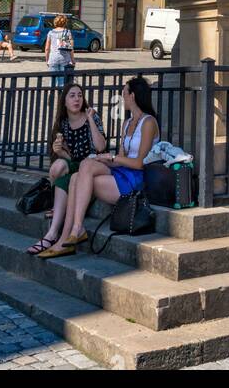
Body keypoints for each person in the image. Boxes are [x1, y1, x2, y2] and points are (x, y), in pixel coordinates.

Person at [39, 75, 159, 258]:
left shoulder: (148, 122)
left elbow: (139, 163)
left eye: (124, 93)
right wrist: (106, 159)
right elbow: (121, 156)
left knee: (79, 177)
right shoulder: (127, 123)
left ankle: (71, 234)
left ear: (132, 96)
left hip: (135, 179)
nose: (122, 97)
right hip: (122, 171)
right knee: (78, 174)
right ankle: (68, 236)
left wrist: (112, 158)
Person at [28, 83, 107, 255]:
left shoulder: (92, 117)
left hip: (92, 165)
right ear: (64, 101)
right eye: (72, 95)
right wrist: (60, 152)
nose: (77, 99)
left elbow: (101, 147)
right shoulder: (62, 124)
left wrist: (91, 120)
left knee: (67, 179)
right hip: (76, 165)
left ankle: (52, 233)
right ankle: (52, 232)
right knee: (58, 167)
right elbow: (72, 159)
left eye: (80, 95)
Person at [44, 14, 75, 84]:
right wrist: (73, 60)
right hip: (65, 58)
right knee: (62, 82)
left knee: (52, 81)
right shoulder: (67, 32)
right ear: (65, 23)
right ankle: (61, 94)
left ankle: (51, 94)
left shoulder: (50, 32)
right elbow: (71, 48)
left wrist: (47, 60)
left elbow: (47, 48)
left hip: (53, 58)